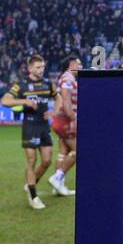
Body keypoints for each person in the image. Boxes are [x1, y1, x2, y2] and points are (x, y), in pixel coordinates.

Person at [1, 54, 55, 209]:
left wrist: (54, 111)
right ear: (30, 68)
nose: (41, 70)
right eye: (38, 67)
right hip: (30, 125)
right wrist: (24, 101)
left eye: (43, 67)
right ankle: (33, 196)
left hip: (44, 126)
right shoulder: (21, 85)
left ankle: (30, 184)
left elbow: (57, 97)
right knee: (31, 160)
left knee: (47, 160)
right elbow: (5, 101)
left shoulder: (48, 83)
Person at [48, 55, 81, 198]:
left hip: (60, 120)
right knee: (78, 150)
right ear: (71, 64)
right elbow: (67, 102)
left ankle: (58, 187)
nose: (81, 67)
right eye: (79, 64)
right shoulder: (68, 79)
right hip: (65, 120)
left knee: (63, 151)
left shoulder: (66, 78)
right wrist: (73, 119)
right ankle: (57, 177)